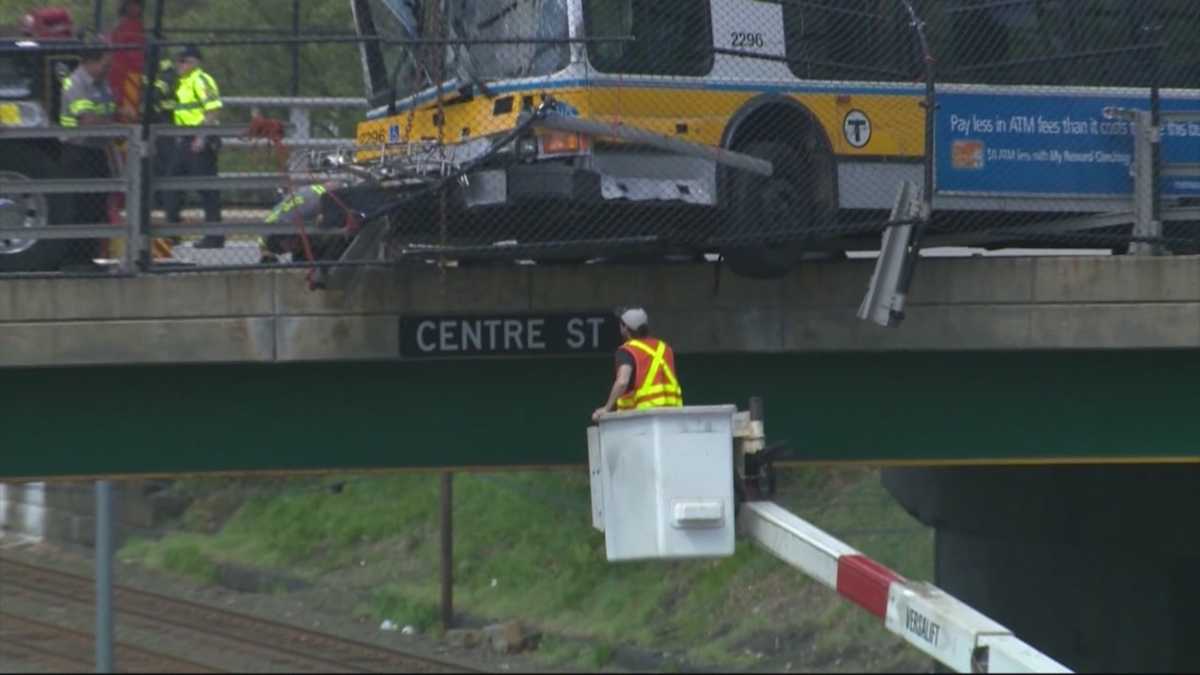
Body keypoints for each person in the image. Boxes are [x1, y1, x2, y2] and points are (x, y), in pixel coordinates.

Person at [165, 45, 224, 249]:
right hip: (184, 139)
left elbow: (213, 110)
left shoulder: (201, 80)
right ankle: (171, 234)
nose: (178, 65)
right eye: (178, 61)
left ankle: (214, 236)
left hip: (200, 141)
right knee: (172, 185)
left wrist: (202, 137)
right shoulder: (183, 83)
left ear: (194, 62)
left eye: (183, 61)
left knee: (207, 190)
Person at [60, 45, 117, 234]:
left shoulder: (102, 83)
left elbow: (109, 113)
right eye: (105, 65)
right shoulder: (75, 83)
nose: (108, 69)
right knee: (80, 206)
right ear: (90, 62)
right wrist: (117, 126)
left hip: (98, 151)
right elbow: (87, 120)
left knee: (98, 204)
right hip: (78, 153)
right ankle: (77, 258)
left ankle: (90, 256)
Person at [592, 308, 684, 423]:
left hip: (641, 419)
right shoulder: (665, 347)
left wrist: (607, 408)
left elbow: (622, 382)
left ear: (625, 328)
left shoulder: (627, 350)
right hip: (672, 417)